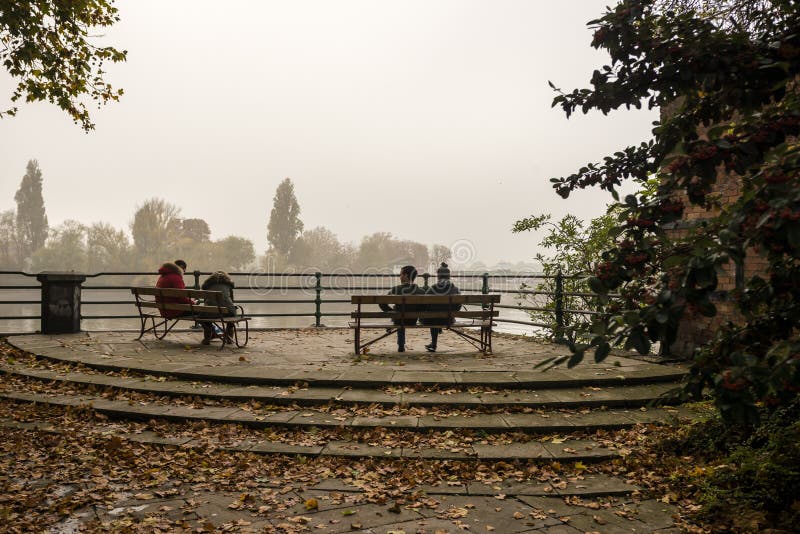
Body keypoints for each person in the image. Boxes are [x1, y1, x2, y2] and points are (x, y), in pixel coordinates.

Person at [380, 265, 425, 352]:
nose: (399, 276)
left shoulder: (396, 289)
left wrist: (392, 312)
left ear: (406, 276)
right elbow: (423, 307)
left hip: (399, 320)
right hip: (412, 320)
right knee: (401, 313)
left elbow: (382, 303)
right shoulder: (421, 291)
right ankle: (397, 315)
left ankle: (401, 345)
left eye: (400, 274)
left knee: (399, 314)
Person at [422, 263, 460, 352]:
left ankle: (433, 344)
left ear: (438, 276)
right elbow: (458, 306)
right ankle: (434, 340)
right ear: (449, 276)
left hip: (434, 320)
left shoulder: (433, 288)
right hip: (449, 319)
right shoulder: (455, 289)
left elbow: (425, 303)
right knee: (435, 315)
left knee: (433, 316)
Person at [200, 270, 237, 345]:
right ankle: (229, 339)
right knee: (231, 316)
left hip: (210, 312)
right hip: (227, 312)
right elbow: (231, 301)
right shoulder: (228, 285)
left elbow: (205, 300)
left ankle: (207, 338)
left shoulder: (208, 285)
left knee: (203, 317)